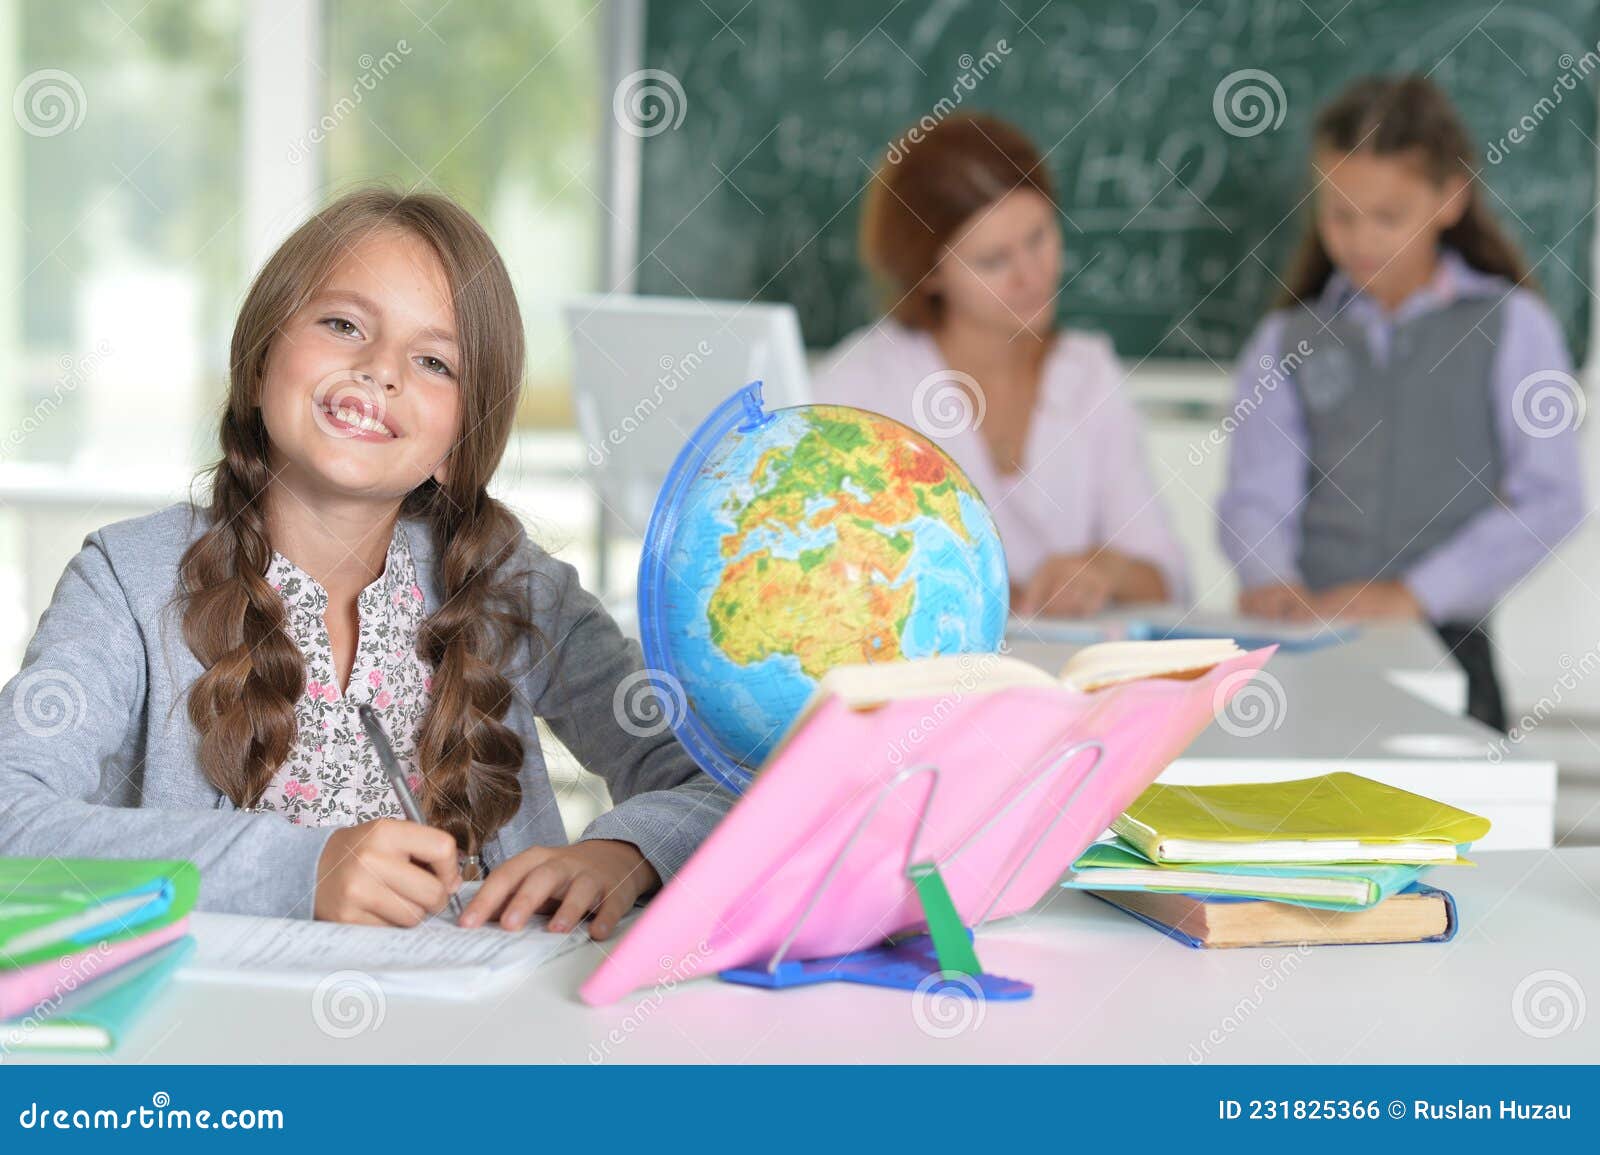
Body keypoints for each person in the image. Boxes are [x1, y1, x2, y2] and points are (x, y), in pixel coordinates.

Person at [0, 189, 730, 936]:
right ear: (259, 364)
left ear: (457, 445)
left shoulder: (514, 586)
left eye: (434, 361)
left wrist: (627, 849)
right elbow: (9, 821)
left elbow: (722, 775)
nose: (381, 371)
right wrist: (299, 870)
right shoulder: (127, 581)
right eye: (342, 324)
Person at [1218, 75, 1586, 731]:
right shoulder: (1288, 337)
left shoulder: (1513, 324)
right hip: (1305, 645)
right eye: (1339, 215)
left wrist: (1415, 594)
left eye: (1387, 217)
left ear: (1450, 198)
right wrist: (1269, 576)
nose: (1360, 240)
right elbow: (1257, 489)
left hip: (1449, 652)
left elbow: (1551, 496)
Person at [814, 113, 1188, 618]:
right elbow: (827, 580)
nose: (1033, 276)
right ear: (928, 275)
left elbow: (1169, 580)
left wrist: (1105, 568)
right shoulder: (859, 387)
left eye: (1039, 238)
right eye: (994, 261)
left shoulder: (1087, 373)